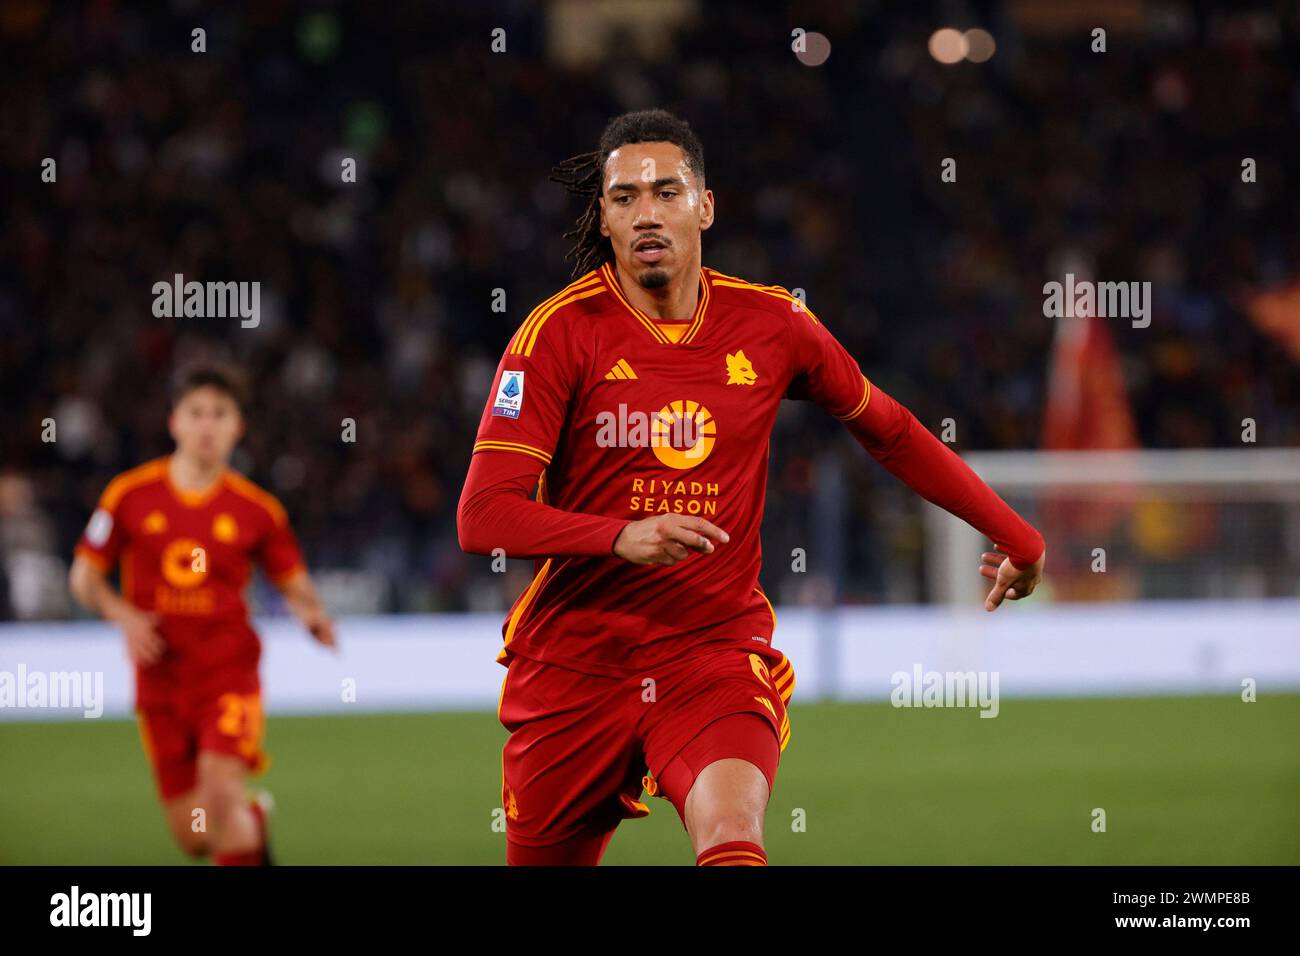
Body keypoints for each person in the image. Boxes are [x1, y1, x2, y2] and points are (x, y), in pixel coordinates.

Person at [457, 109, 1044, 866]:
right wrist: (617, 536)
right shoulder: (557, 335)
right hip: (576, 665)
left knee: (733, 840)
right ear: (603, 217)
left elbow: (889, 429)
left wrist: (1017, 533)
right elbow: (482, 516)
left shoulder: (773, 324)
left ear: (705, 205)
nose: (647, 213)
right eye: (625, 197)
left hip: (711, 652)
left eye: (667, 191)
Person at [69, 364, 335, 865]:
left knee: (217, 794)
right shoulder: (128, 496)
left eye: (220, 414)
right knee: (195, 837)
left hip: (228, 674)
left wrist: (314, 615)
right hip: (161, 683)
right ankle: (252, 821)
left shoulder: (257, 510)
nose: (207, 425)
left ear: (238, 427)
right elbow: (83, 577)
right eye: (196, 413)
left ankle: (237, 817)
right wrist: (123, 616)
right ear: (174, 422)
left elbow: (294, 583)